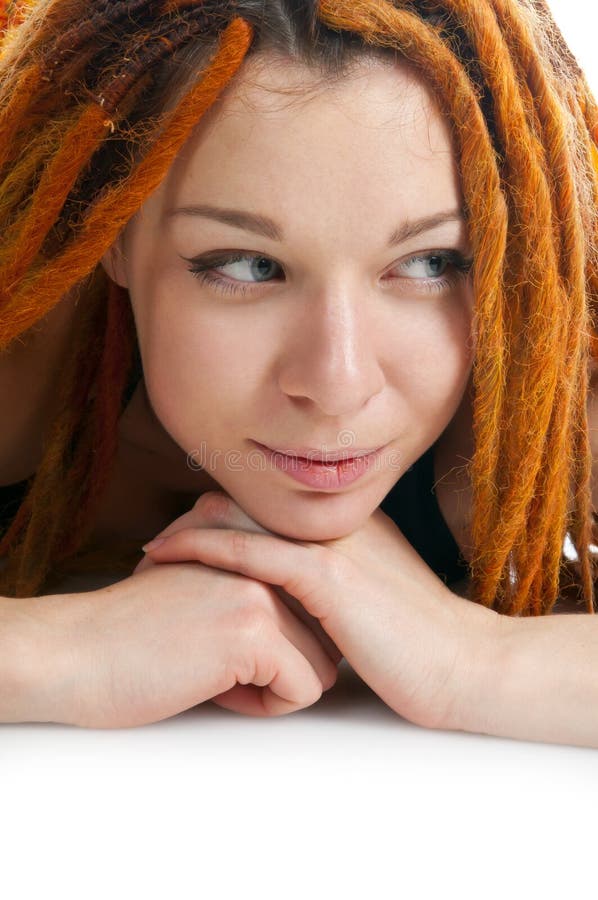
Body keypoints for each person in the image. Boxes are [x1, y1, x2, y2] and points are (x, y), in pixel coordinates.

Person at [0, 0, 597, 744]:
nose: (339, 383)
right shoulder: (20, 348)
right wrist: (67, 650)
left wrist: (474, 659)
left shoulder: (538, 387)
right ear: (108, 229)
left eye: (429, 263)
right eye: (249, 267)